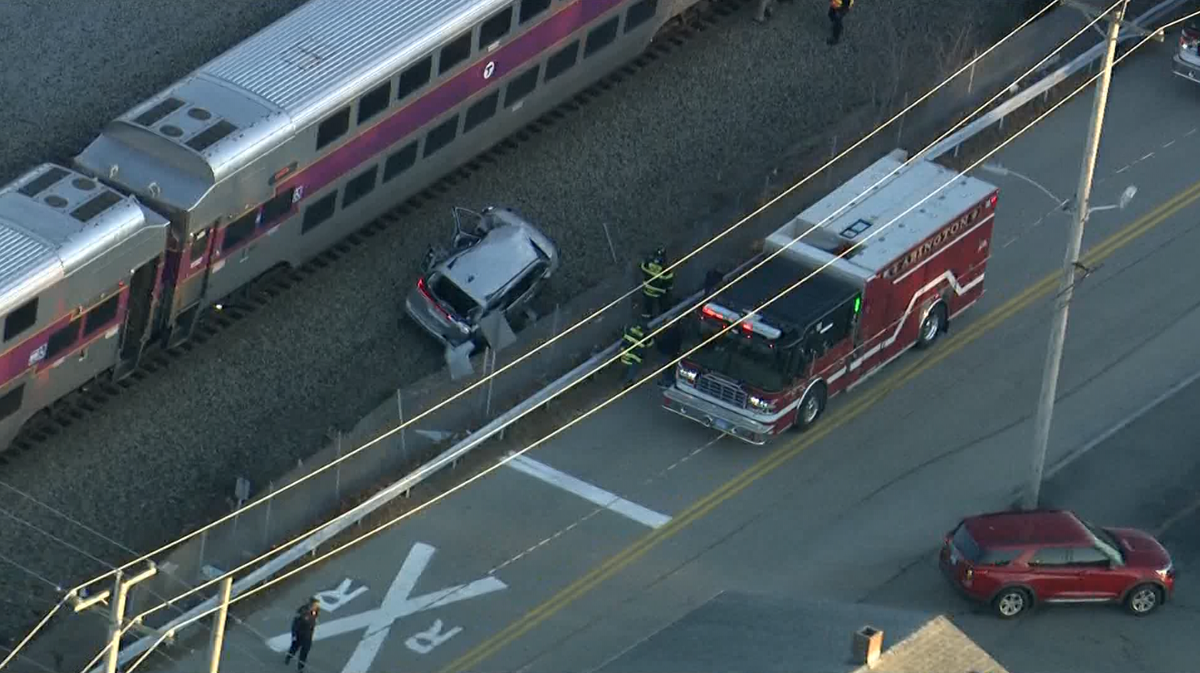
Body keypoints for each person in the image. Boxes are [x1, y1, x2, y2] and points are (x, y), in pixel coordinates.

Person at [285, 597, 320, 671]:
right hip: (299, 635)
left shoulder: (316, 610)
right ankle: (288, 657)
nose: (316, 607)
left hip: (308, 636)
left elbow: (315, 616)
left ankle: (300, 668)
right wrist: (294, 635)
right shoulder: (302, 611)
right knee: (294, 648)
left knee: (304, 652)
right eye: (315, 605)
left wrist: (314, 622)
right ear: (311, 604)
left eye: (317, 605)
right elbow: (295, 624)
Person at [640, 247, 674, 320]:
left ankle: (646, 319)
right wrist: (669, 288)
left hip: (647, 289)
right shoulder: (664, 268)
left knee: (647, 306)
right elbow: (668, 280)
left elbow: (642, 268)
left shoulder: (647, 263)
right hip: (659, 291)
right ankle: (665, 317)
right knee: (664, 304)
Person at [620, 322, 655, 389]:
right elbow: (650, 344)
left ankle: (624, 382)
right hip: (635, 358)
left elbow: (625, 330)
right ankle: (626, 384)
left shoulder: (632, 328)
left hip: (625, 356)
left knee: (626, 370)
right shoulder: (645, 336)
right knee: (631, 372)